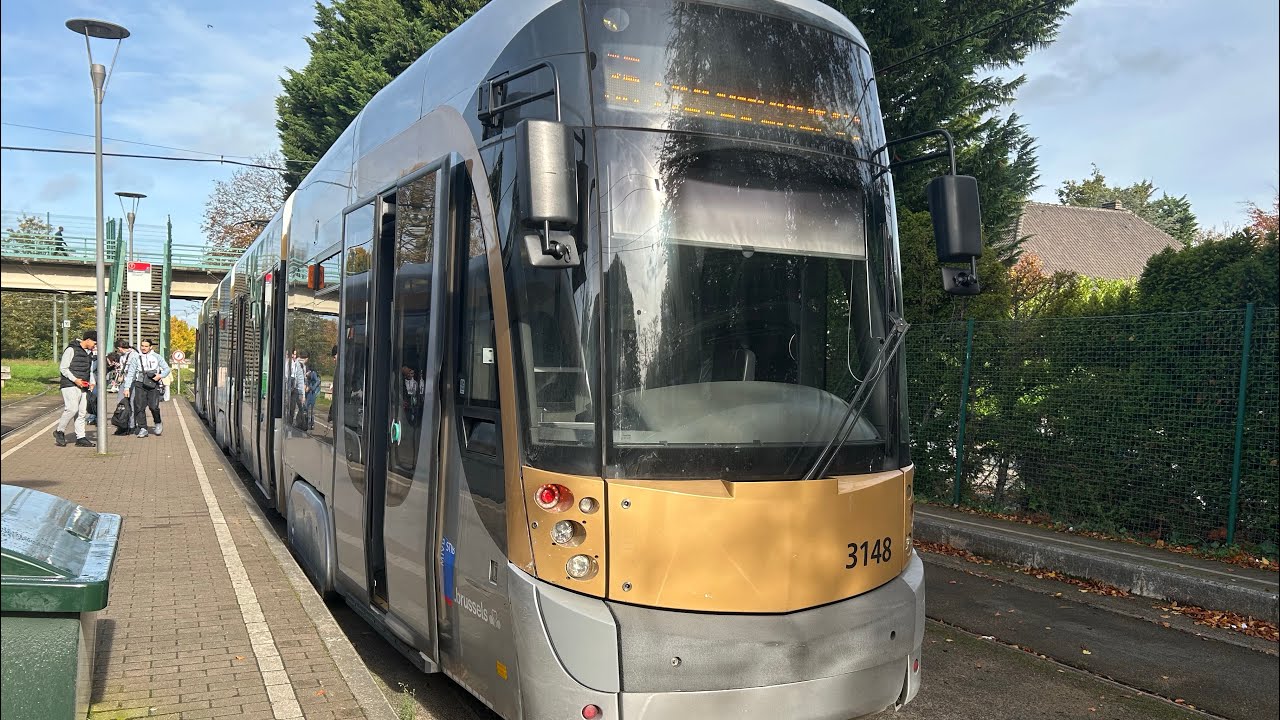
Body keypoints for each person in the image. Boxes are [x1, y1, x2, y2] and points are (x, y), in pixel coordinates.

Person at [54, 330, 97, 447]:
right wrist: (75, 380)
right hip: (69, 385)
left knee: (82, 412)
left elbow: (90, 370)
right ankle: (59, 431)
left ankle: (81, 437)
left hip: (83, 385)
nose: (95, 345)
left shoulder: (89, 353)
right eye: (94, 342)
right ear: (87, 340)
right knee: (72, 409)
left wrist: (92, 382)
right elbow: (63, 368)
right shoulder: (71, 349)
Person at [122, 338, 171, 438]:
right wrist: (126, 387)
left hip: (153, 383)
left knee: (154, 406)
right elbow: (131, 372)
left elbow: (167, 369)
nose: (143, 348)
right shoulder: (136, 357)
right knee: (139, 406)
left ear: (150, 347)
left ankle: (158, 422)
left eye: (146, 346)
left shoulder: (157, 357)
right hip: (140, 383)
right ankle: (143, 428)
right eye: (142, 346)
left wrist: (160, 376)